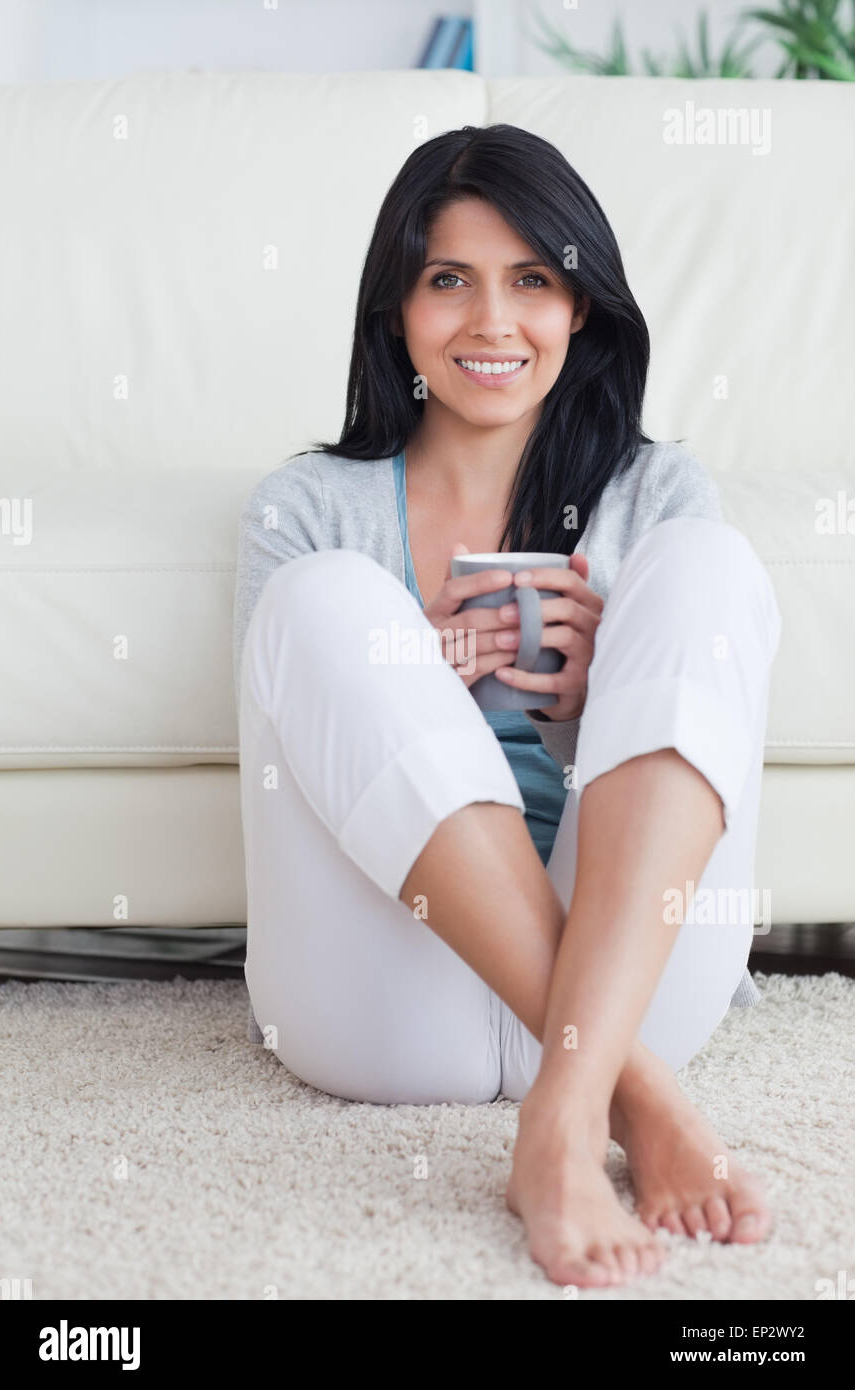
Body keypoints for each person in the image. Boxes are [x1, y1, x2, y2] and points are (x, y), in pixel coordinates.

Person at [232, 124, 781, 1289]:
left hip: (628, 969)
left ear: (579, 307)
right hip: (386, 991)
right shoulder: (304, 508)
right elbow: (281, 781)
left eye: (531, 280)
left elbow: (686, 715)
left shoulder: (657, 491)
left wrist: (587, 711)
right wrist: (400, 670)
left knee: (706, 566)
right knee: (323, 601)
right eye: (448, 281)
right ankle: (627, 1097)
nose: (491, 323)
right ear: (396, 311)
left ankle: (564, 1113)